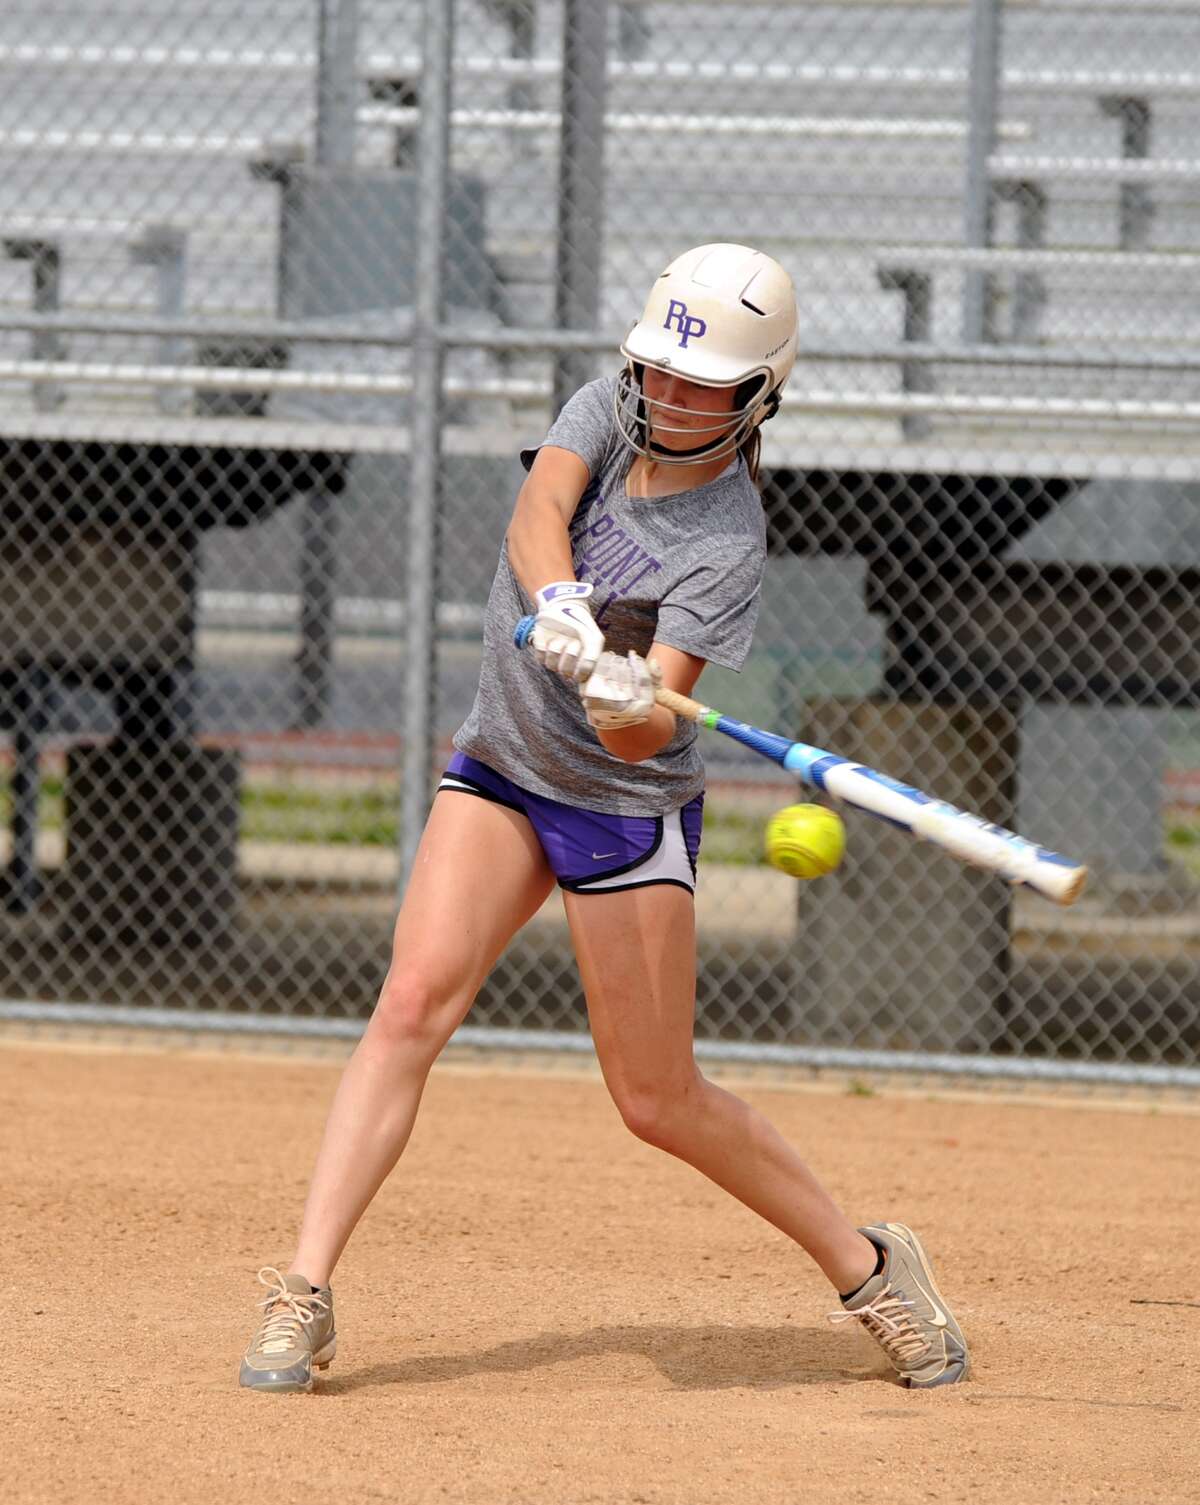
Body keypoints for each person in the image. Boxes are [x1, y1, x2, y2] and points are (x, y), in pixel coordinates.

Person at [238, 243, 970, 1394]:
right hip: (505, 766)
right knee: (412, 1000)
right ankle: (305, 1290)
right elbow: (539, 508)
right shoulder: (609, 410)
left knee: (655, 1099)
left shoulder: (728, 538)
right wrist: (561, 603)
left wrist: (625, 693)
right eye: (662, 373)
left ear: (758, 393)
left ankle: (872, 1263)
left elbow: (643, 732)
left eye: (703, 384)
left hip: (621, 803)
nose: (671, 398)